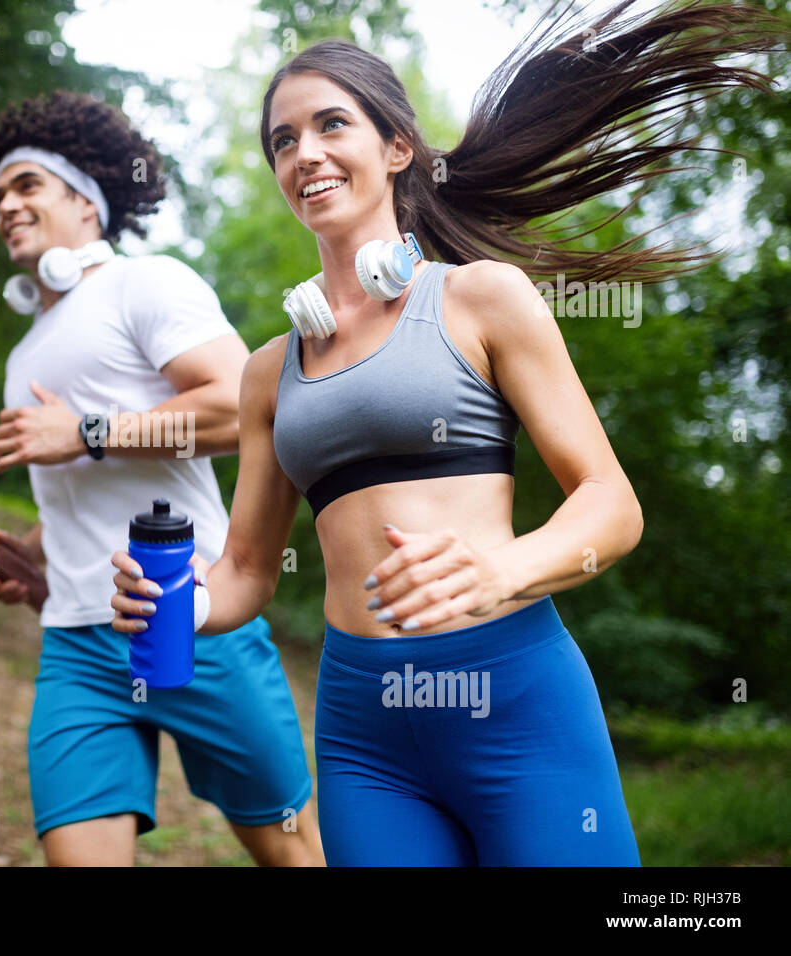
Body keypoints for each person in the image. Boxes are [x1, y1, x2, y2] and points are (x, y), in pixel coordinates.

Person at [111, 3, 782, 865]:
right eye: (283, 140)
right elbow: (244, 570)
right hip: (364, 735)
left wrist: (504, 565)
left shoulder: (480, 299)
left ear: (397, 149)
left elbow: (610, 504)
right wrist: (185, 603)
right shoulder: (268, 369)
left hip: (516, 700)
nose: (304, 152)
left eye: (330, 124)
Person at [0, 90, 324, 866]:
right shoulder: (26, 353)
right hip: (76, 645)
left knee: (294, 854)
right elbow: (81, 490)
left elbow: (239, 408)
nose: (6, 205)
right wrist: (32, 555)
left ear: (86, 202)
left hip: (190, 613)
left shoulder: (144, 284)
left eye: (26, 185)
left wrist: (88, 432)